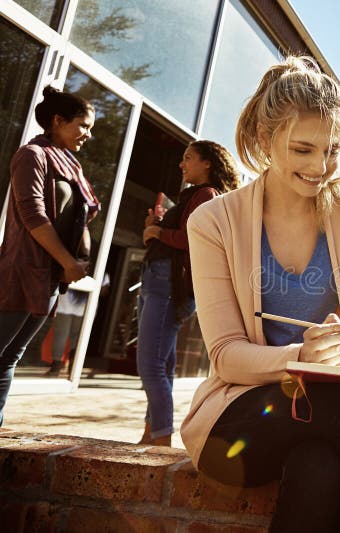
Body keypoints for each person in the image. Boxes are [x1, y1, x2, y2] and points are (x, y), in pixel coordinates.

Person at [181, 56, 340, 533]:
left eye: (332, 151)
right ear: (266, 142)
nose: (320, 167)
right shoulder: (212, 221)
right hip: (237, 422)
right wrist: (298, 358)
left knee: (320, 470)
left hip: (328, 416)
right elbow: (225, 355)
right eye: (303, 150)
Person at [0, 86, 98, 425]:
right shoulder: (32, 155)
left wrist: (72, 263)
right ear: (57, 121)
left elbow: (79, 216)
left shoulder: (71, 164)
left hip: (49, 280)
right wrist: (69, 261)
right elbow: (33, 215)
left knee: (8, 360)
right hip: (22, 274)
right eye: (83, 125)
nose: (88, 134)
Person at [137, 140, 240, 446]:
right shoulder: (195, 196)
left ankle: (160, 438)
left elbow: (195, 240)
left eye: (188, 158)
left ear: (208, 162)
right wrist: (156, 228)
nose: (182, 164)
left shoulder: (207, 194)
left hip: (168, 283)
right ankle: (150, 433)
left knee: (150, 365)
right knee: (162, 364)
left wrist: (159, 232)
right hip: (159, 279)